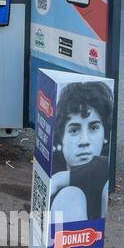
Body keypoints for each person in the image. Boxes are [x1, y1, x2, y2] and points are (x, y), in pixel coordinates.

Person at [47, 80, 114, 222]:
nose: (85, 141)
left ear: (105, 135)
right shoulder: (51, 164)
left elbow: (104, 166)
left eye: (94, 128)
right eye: (74, 130)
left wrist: (65, 178)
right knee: (70, 196)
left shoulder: (105, 163)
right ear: (60, 139)